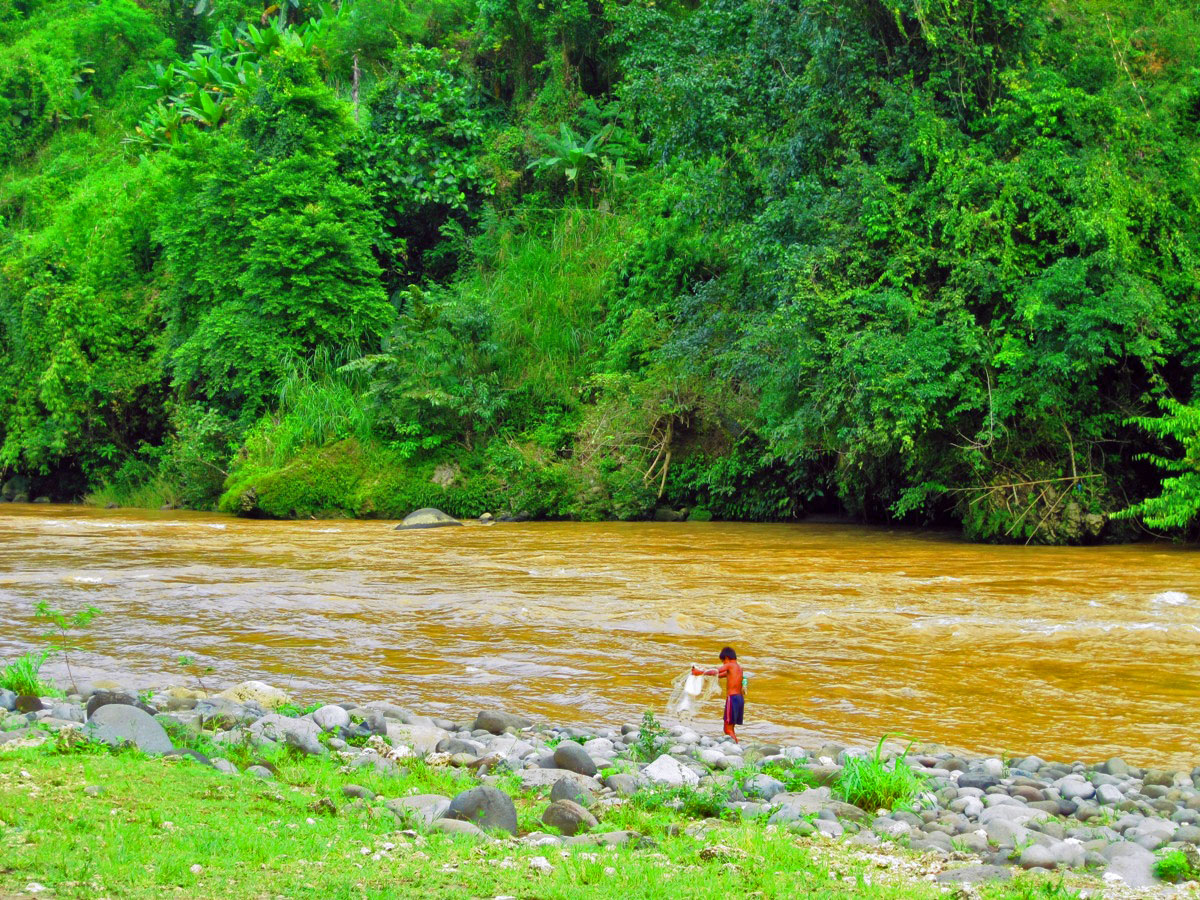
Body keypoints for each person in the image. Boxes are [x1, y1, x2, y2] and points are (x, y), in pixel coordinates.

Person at [693, 647, 744, 743]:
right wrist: (703, 672)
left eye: (723, 661)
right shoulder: (738, 668)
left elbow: (716, 671)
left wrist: (700, 672)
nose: (723, 664)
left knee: (727, 729)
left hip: (732, 699)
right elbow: (718, 675)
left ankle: (735, 746)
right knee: (731, 728)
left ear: (727, 658)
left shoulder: (730, 665)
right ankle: (736, 744)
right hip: (739, 699)